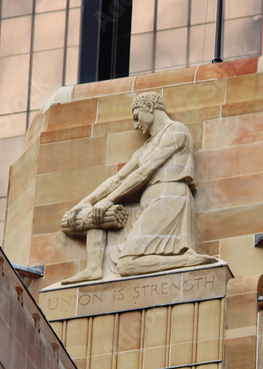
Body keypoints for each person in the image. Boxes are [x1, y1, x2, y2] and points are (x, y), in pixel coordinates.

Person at [60, 92, 217, 283]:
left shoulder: (176, 131)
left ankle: (187, 260)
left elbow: (144, 173)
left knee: (127, 265)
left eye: (136, 117)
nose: (136, 125)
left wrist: (109, 200)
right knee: (97, 214)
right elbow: (118, 178)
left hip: (168, 199)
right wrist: (87, 202)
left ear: (149, 108)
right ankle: (94, 269)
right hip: (147, 204)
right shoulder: (147, 147)